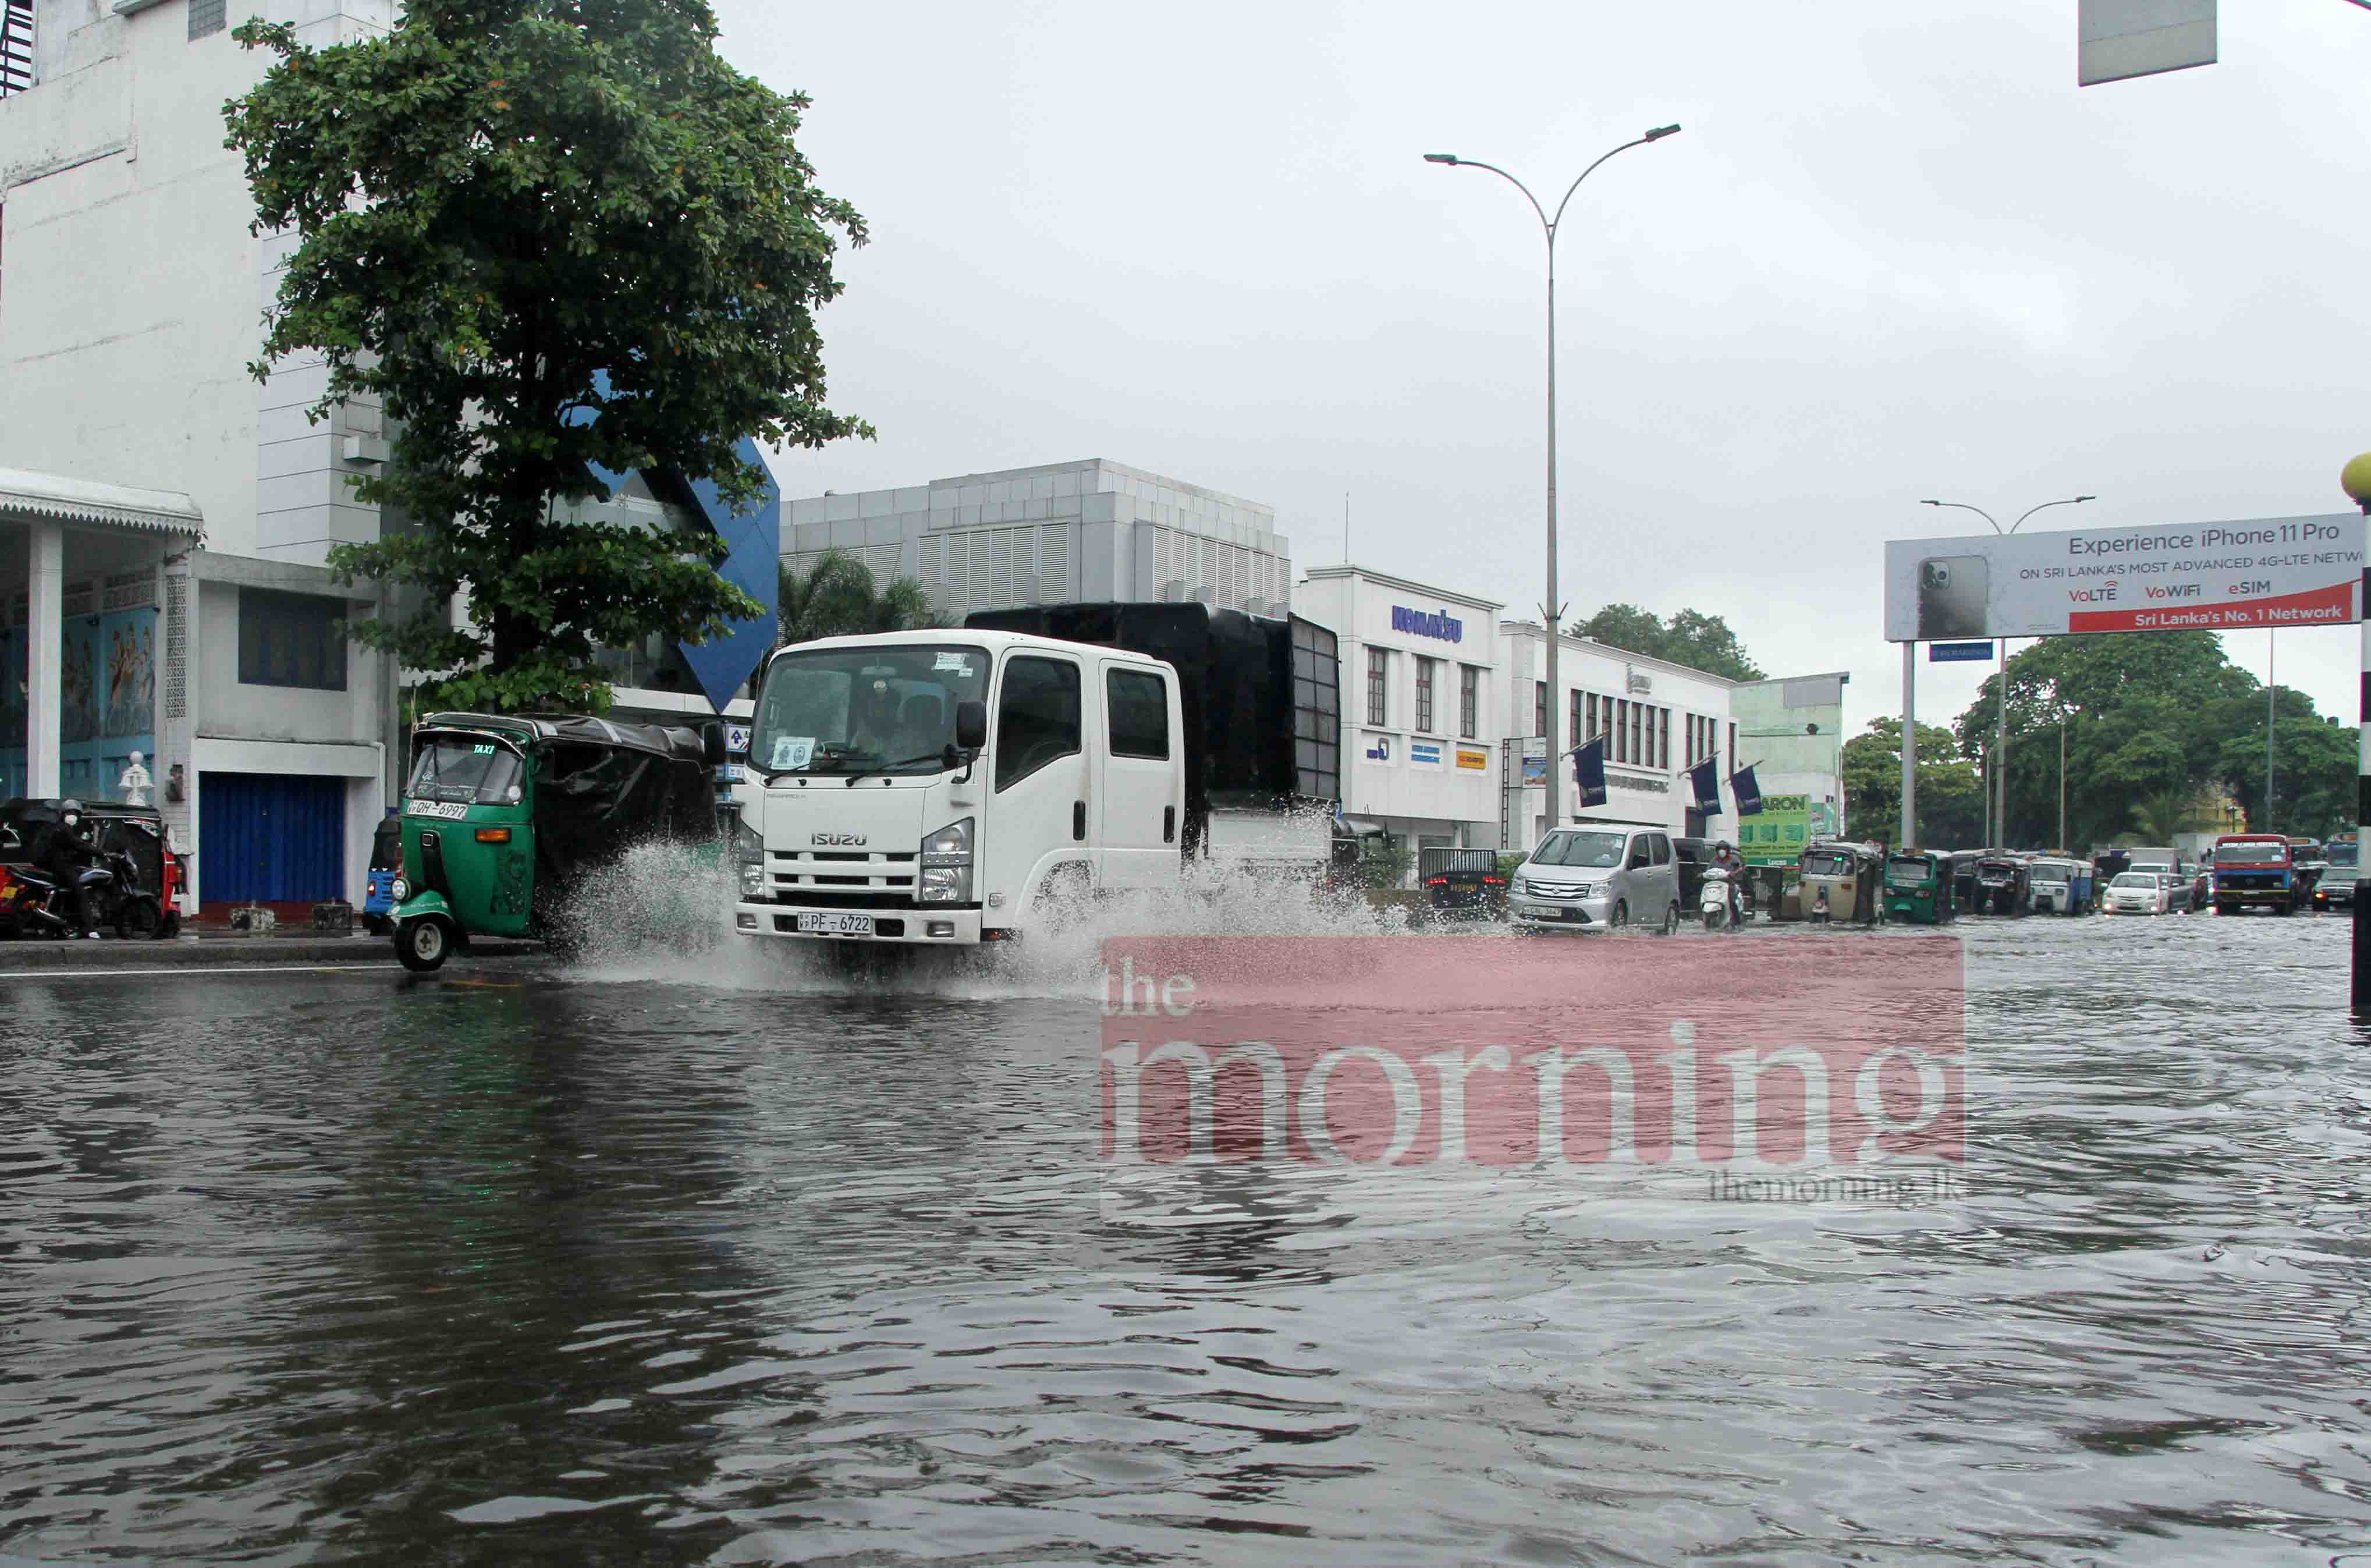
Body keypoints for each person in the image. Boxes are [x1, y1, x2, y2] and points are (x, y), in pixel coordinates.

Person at [40, 799, 101, 939]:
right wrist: (101, 853)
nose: (72, 815)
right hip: (61, 867)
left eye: (75, 813)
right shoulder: (63, 829)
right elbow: (78, 844)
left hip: (60, 865)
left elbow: (74, 846)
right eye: (69, 812)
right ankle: (91, 929)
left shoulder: (64, 829)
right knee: (81, 894)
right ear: (63, 814)